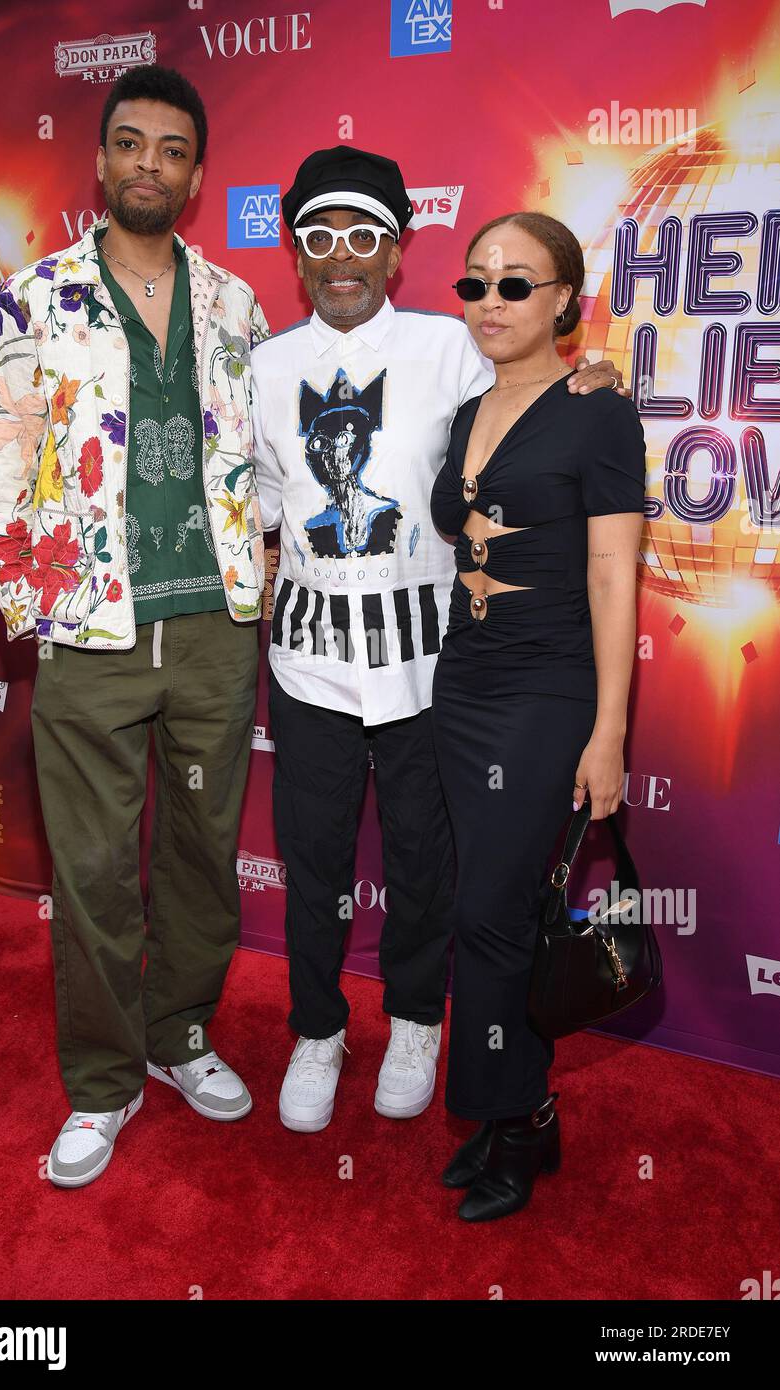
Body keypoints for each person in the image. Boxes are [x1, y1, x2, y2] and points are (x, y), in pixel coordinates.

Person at [250, 148, 626, 1134]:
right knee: (314, 861)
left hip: (430, 670)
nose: (341, 255)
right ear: (295, 251)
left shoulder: (454, 346)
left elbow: (540, 387)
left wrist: (593, 372)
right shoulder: (262, 367)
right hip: (306, 663)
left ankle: (416, 1015)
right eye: (320, 235)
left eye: (363, 236)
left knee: (425, 860)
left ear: (395, 250)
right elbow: (250, 500)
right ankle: (317, 1028)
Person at [0, 65, 270, 1188]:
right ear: (100, 160)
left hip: (210, 630)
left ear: (195, 174)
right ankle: (102, 1084)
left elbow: (265, 458)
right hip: (89, 633)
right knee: (94, 869)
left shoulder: (235, 304)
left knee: (199, 855)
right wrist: (37, 603)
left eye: (173, 149)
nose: (150, 163)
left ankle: (182, 1036)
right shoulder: (37, 295)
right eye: (131, 143)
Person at [429, 211, 646, 1221]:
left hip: (547, 690)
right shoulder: (466, 405)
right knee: (489, 909)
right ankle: (506, 1115)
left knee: (491, 915)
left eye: (516, 284)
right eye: (475, 284)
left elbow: (613, 571)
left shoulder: (597, 409)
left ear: (566, 298)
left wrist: (608, 731)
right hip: (461, 683)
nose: (490, 303)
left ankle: (517, 1116)